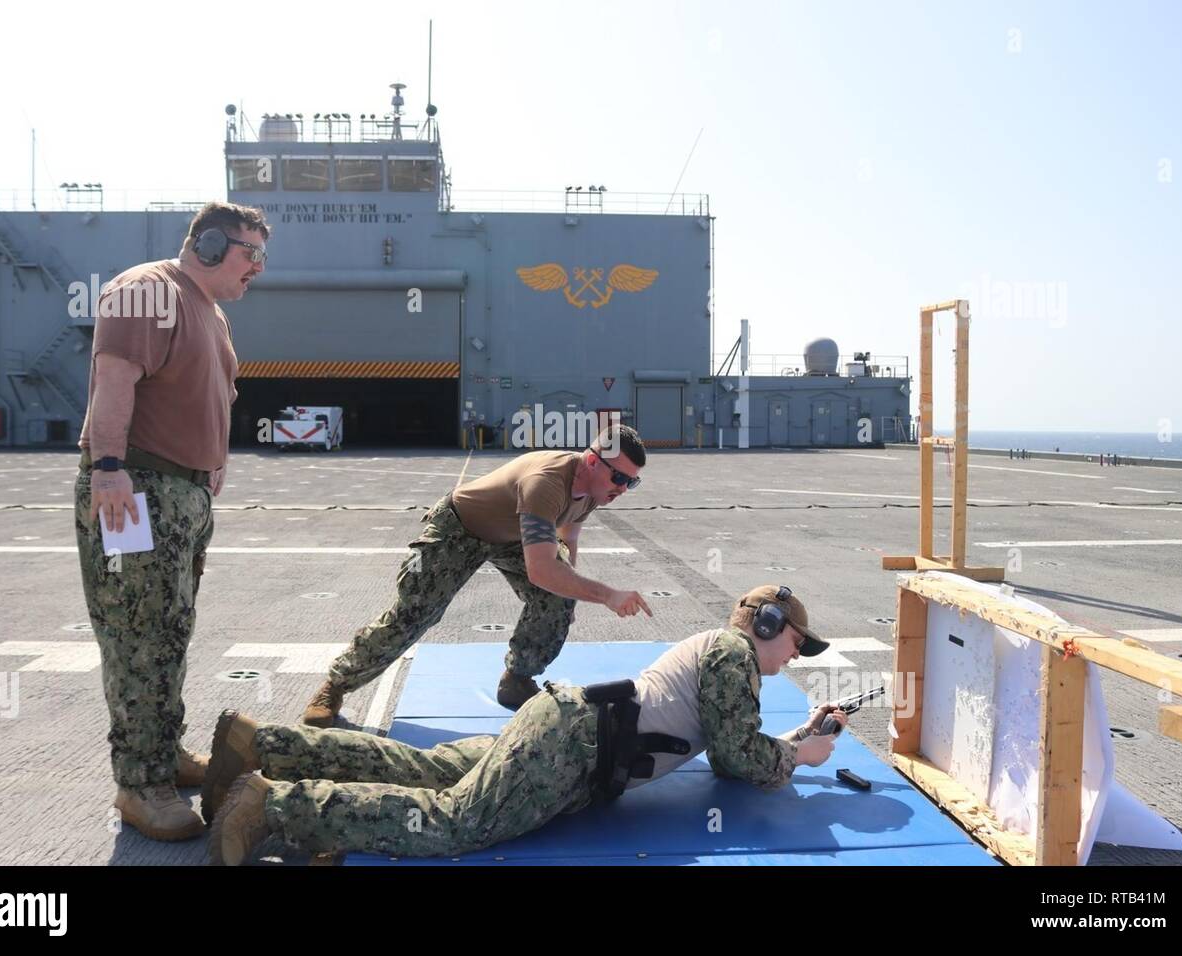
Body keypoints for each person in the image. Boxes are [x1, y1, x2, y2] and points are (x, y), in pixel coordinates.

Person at [206, 585, 847, 864]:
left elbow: (734, 742)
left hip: (565, 725)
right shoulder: (735, 656)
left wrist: (799, 739)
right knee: (453, 821)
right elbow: (738, 758)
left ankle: (261, 744)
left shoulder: (716, 648)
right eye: (795, 640)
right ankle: (273, 806)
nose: (796, 653)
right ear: (765, 624)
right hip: (570, 750)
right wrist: (802, 759)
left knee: (428, 768)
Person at [74, 201, 269, 841]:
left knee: (171, 628)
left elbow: (209, 397)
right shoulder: (148, 291)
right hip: (136, 490)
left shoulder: (209, 313)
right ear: (210, 246)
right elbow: (114, 379)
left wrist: (211, 467)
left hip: (181, 496)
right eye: (250, 255)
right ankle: (140, 785)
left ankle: (163, 754)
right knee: (139, 636)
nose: (257, 271)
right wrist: (108, 468)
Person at [300, 424, 654, 724]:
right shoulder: (547, 482)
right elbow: (542, 570)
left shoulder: (593, 490)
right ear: (592, 461)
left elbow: (568, 537)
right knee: (414, 614)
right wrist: (606, 594)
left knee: (559, 596)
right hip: (460, 527)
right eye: (619, 477)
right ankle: (335, 685)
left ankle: (517, 679)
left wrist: (571, 592)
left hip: (511, 534)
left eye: (631, 483)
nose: (622, 489)